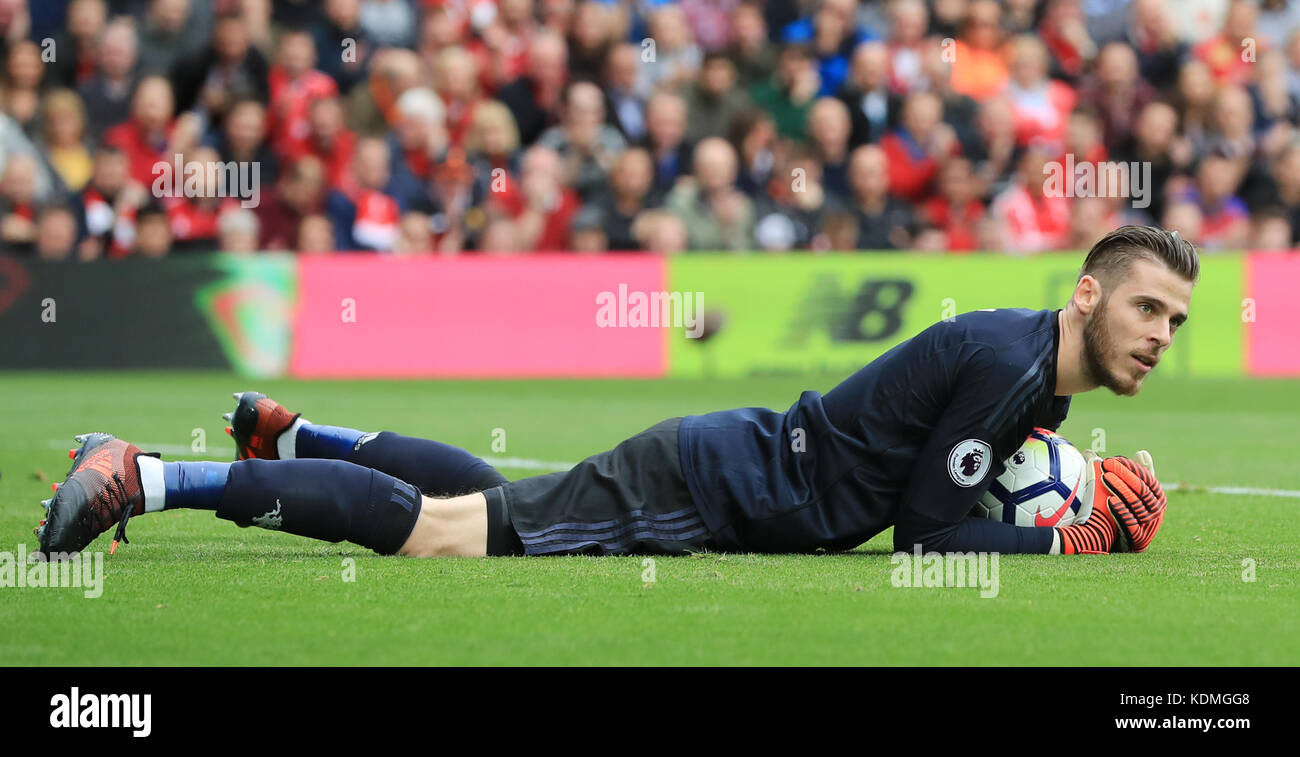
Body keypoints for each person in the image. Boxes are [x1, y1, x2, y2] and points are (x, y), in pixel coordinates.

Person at [36, 227, 1189, 560]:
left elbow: (945, 501)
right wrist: (1076, 538)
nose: (1162, 335)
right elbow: (930, 534)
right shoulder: (1006, 368)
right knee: (449, 538)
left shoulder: (1033, 374)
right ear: (1087, 294)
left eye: (1178, 322)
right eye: (1147, 309)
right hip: (717, 489)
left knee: (498, 495)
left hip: (727, 471)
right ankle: (150, 473)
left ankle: (303, 436)